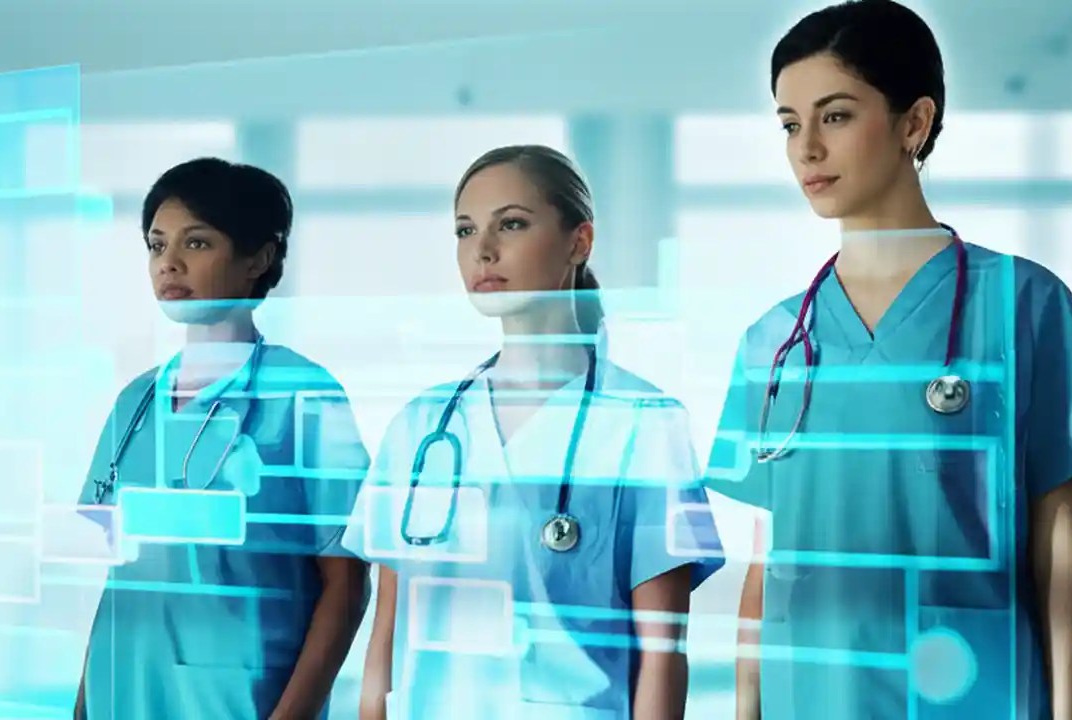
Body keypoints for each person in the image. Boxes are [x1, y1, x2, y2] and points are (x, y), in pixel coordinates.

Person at [703, 2, 1072, 719]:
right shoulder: (775, 339)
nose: (806, 148)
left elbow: (1060, 535)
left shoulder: (1024, 305)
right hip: (809, 697)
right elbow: (768, 557)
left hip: (973, 694)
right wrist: (745, 709)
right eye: (790, 123)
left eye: (836, 115)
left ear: (914, 123)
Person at [343, 144, 725, 719]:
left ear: (580, 241)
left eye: (512, 224)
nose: (484, 251)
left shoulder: (646, 422)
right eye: (466, 231)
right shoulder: (422, 425)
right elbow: (387, 632)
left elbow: (663, 650)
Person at [73, 158, 371, 719]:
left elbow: (347, 586)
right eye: (157, 246)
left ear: (258, 257)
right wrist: (84, 704)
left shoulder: (302, 394)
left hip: (238, 700)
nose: (170, 264)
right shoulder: (135, 401)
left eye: (198, 243)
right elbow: (121, 578)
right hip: (124, 693)